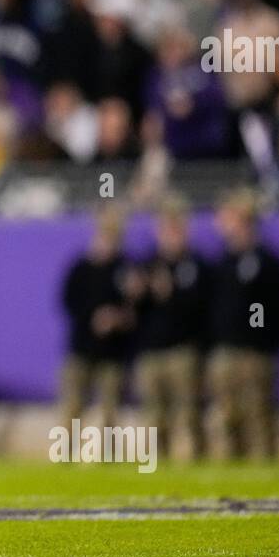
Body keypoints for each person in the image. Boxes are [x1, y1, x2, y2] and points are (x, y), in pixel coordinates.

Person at [206, 188, 279, 459]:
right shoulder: (223, 261)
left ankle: (265, 466)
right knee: (227, 416)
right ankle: (230, 470)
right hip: (225, 350)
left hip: (256, 352)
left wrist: (265, 342)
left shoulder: (266, 262)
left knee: (258, 415)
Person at [128, 195, 208, 460]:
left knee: (188, 414)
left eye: (175, 228)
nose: (170, 235)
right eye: (166, 228)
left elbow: (202, 308)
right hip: (151, 351)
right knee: (153, 417)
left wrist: (171, 294)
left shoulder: (195, 266)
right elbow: (134, 311)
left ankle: (197, 462)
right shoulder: (147, 264)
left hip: (182, 350)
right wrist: (136, 295)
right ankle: (156, 465)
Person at [58, 205, 134, 429]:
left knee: (110, 412)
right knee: (72, 408)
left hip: (113, 353)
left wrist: (116, 319)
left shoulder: (124, 268)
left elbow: (133, 310)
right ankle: (64, 457)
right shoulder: (80, 268)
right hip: (81, 350)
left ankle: (107, 460)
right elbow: (67, 303)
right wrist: (93, 317)